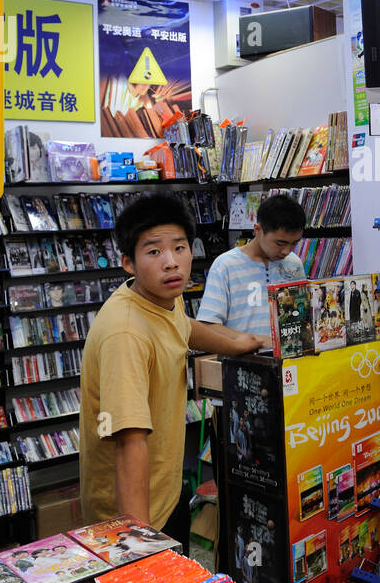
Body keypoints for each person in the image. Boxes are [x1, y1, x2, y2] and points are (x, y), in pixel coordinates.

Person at [79, 195, 267, 533]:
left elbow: (184, 327)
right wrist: (140, 546)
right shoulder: (125, 333)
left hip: (164, 490)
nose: (171, 262)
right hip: (132, 516)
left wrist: (238, 343)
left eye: (179, 248)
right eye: (153, 251)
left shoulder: (163, 295)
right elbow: (128, 441)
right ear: (127, 262)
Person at [198, 194, 306, 339]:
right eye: (280, 243)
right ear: (258, 230)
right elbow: (207, 326)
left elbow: (301, 315)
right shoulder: (225, 265)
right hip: (243, 359)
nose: (287, 251)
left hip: (289, 360)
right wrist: (259, 341)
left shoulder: (294, 263)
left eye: (294, 243)